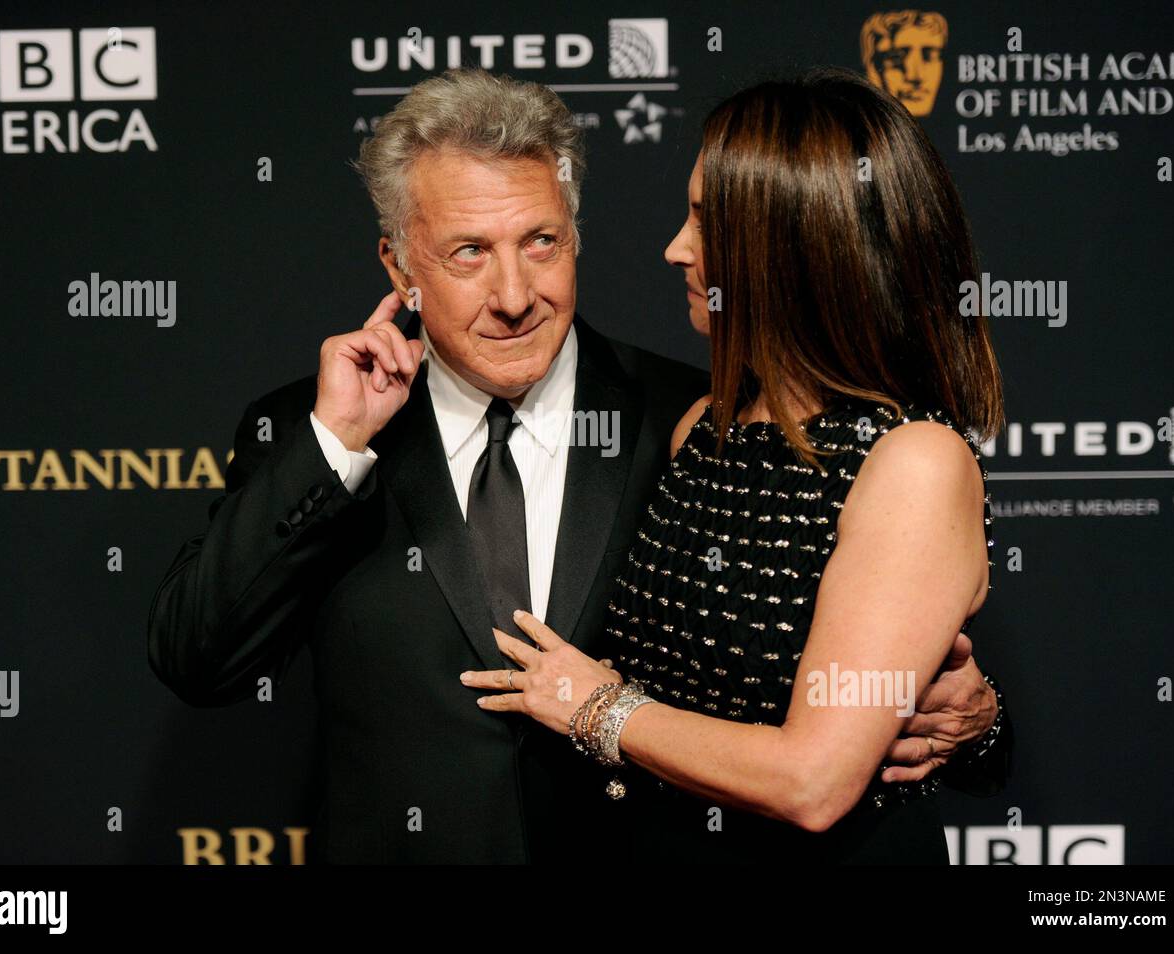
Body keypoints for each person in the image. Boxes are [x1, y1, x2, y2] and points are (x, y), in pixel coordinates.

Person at [148, 68, 1009, 864]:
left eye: (542, 241)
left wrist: (968, 717)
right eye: (469, 253)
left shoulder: (687, 418)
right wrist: (336, 445)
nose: (516, 295)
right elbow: (199, 658)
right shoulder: (312, 432)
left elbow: (802, 668)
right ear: (398, 262)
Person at [458, 68, 1010, 863]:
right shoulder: (704, 428)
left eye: (706, 222)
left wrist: (596, 708)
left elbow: (814, 783)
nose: (676, 249)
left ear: (795, 247)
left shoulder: (914, 461)